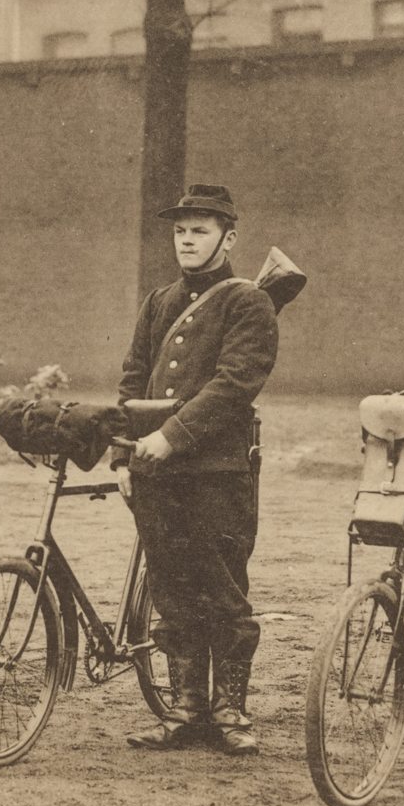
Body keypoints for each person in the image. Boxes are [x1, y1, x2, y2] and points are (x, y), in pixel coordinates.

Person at [113, 184, 278, 755]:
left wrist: (171, 436)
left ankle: (231, 712)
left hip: (217, 471)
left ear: (228, 238)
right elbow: (133, 381)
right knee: (171, 589)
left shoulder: (247, 302)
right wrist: (122, 453)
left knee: (222, 591)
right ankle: (187, 709)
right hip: (155, 471)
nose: (187, 238)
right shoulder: (159, 301)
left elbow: (235, 384)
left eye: (200, 229)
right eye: (180, 230)